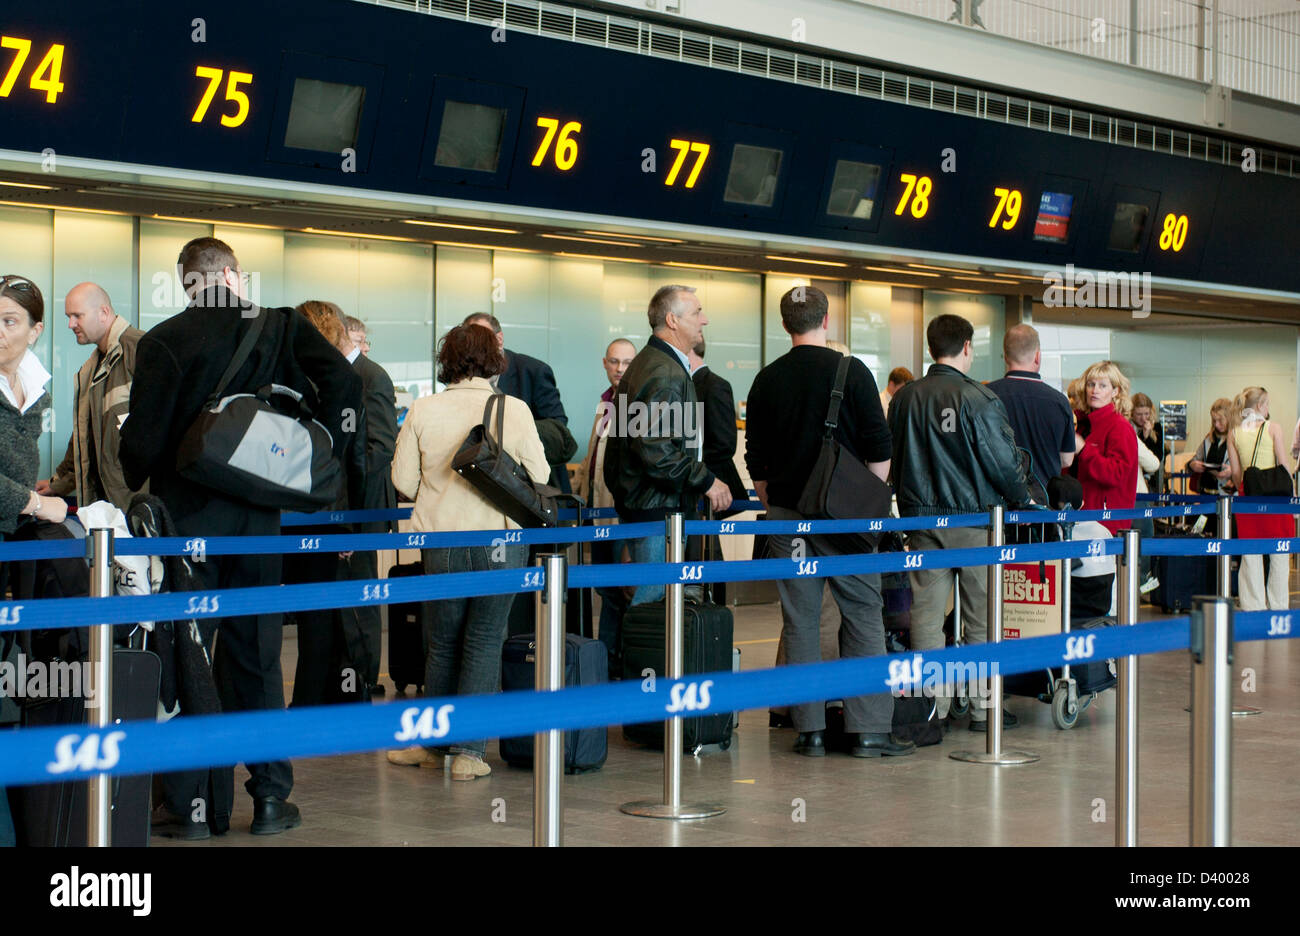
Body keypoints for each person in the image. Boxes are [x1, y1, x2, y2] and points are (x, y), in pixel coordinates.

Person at [120, 237, 361, 836]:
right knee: (255, 658)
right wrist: (314, 448)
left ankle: (191, 806)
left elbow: (139, 452)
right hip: (258, 521)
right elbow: (345, 383)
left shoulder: (163, 342)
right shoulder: (278, 327)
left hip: (187, 524)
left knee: (189, 655)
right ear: (232, 274)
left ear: (186, 284)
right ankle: (272, 798)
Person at [747, 286, 908, 758]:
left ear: (783, 324)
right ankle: (868, 730)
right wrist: (863, 500)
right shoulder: (851, 371)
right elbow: (880, 449)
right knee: (862, 613)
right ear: (828, 319)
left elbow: (757, 463)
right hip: (846, 520)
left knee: (800, 620)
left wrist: (782, 505)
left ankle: (810, 730)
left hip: (787, 519)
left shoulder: (765, 379)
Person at [387, 324, 548, 780]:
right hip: (499, 541)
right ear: (494, 360)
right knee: (483, 640)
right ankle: (469, 754)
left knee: (441, 641)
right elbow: (539, 474)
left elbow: (402, 483)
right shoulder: (512, 409)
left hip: (439, 541)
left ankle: (433, 746)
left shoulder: (422, 408)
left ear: (448, 361)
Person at [889, 313, 1029, 731]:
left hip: (922, 524)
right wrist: (1023, 500)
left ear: (932, 347)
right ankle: (984, 708)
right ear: (967, 347)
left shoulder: (905, 398)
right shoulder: (979, 399)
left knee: (927, 620)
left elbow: (892, 455)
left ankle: (933, 709)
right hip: (974, 523)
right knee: (982, 620)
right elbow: (1003, 464)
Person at [603, 285, 732, 605]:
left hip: (642, 503)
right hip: (656, 508)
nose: (704, 320)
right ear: (673, 320)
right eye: (697, 313)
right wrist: (706, 480)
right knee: (653, 599)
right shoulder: (664, 372)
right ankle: (643, 658)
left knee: (634, 598)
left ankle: (623, 656)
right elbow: (655, 448)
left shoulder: (650, 363)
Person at [0, 275, 67, 848]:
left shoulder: (37, 384)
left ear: (35, 330)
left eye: (10, 321)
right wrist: (35, 501)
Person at [281, 301, 368, 708]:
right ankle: (308, 701)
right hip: (325, 513)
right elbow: (352, 460)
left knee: (266, 611)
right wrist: (350, 523)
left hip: (279, 513)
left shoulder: (282, 373)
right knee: (318, 618)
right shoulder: (342, 380)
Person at [37, 283, 144, 511]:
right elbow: (85, 440)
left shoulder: (141, 350)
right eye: (69, 316)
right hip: (103, 510)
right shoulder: (89, 370)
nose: (70, 324)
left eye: (77, 316)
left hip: (138, 509)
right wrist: (59, 484)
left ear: (104, 312)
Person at [337, 304, 398, 695]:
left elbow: (379, 447)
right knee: (347, 594)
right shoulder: (345, 375)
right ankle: (350, 675)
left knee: (360, 594)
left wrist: (350, 507)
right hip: (346, 505)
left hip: (362, 505)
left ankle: (363, 675)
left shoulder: (370, 377)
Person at [462, 312, 574, 492]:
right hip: (484, 487)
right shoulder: (464, 377)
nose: (476, 348)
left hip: (533, 488)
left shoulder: (533, 371)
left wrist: (513, 431)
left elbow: (558, 431)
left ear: (499, 339)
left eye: (483, 340)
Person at [576, 338, 635, 669]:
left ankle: (615, 662)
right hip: (598, 515)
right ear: (604, 363)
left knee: (620, 593)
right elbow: (593, 459)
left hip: (620, 517)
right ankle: (605, 661)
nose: (620, 369)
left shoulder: (635, 405)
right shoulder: (605, 404)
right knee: (606, 592)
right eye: (615, 361)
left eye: (627, 362)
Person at [1227, 387, 1293, 611]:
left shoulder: (1234, 432)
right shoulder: (1273, 428)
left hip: (1248, 496)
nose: (1268, 409)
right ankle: (1278, 604)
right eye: (1267, 405)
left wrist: (1245, 487)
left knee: (1251, 554)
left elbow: (1236, 473)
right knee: (1280, 553)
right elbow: (1283, 464)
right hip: (1276, 498)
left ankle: (1253, 604)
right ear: (1259, 407)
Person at [988, 325, 1075, 495]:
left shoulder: (985, 396)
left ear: (1005, 357)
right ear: (1037, 356)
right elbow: (1066, 459)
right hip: (1045, 503)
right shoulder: (1059, 402)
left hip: (996, 505)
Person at [1071, 361, 1138, 536]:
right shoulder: (1082, 425)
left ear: (1115, 391)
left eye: (1102, 386)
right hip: (1081, 518)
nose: (1095, 390)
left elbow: (1116, 474)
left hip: (1106, 523)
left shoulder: (1120, 427)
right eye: (1091, 384)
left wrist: (1084, 450)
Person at [1131, 393, 1164, 493]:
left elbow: (1158, 456)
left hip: (1152, 480)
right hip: (1134, 479)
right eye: (1139, 414)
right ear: (1132, 413)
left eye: (1146, 414)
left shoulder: (1156, 427)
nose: (1143, 418)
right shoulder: (1127, 427)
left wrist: (1147, 437)